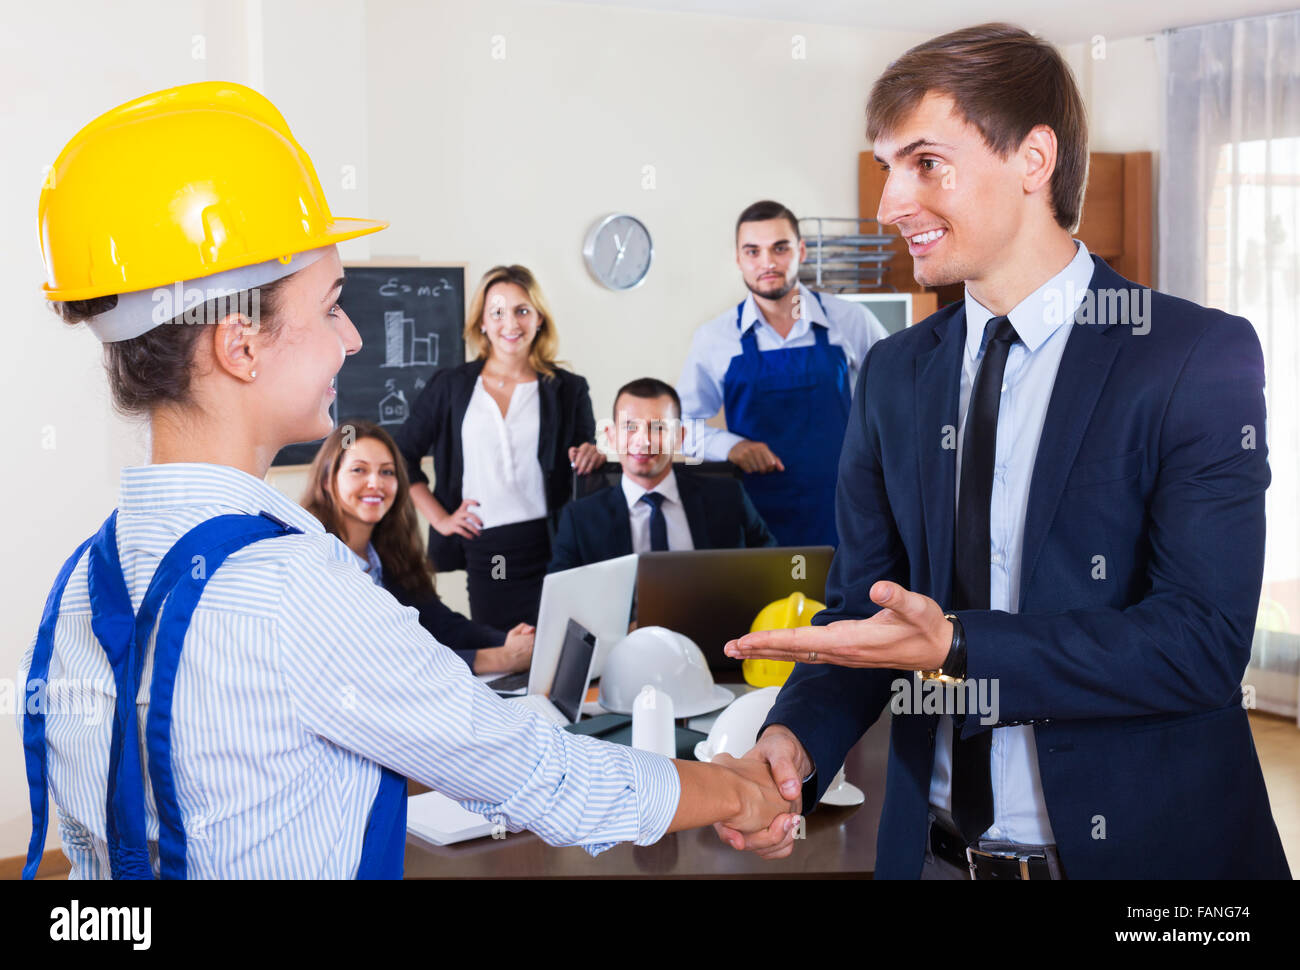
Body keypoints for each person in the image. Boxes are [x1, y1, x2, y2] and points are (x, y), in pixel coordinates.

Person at [16, 81, 793, 880]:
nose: (352, 337)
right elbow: (544, 780)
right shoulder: (297, 590)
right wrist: (733, 792)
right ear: (240, 345)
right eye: (331, 306)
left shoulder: (84, 579)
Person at [718, 24, 1291, 879]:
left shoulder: (1192, 357)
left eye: (926, 163)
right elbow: (867, 616)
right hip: (935, 858)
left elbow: (1200, 646)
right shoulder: (894, 372)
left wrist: (957, 648)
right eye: (887, 169)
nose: (890, 205)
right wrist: (793, 741)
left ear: (1033, 159)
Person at [394, 265, 602, 629]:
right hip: (489, 548)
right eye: (498, 312)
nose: (511, 323)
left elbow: (585, 460)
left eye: (522, 310)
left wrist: (592, 455)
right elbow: (401, 457)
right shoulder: (451, 386)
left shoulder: (569, 388)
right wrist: (441, 520)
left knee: (559, 650)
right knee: (503, 654)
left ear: (539, 319)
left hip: (553, 543)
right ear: (482, 325)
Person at [676, 200, 889, 548]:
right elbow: (681, 426)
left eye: (780, 248)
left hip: (846, 510)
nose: (768, 263)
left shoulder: (851, 320)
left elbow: (898, 398)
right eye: (753, 251)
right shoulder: (714, 338)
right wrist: (732, 446)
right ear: (738, 259)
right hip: (758, 515)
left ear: (801, 250)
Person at [302, 420, 533, 676]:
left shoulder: (389, 555)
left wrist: (513, 642)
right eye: (359, 470)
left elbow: (442, 624)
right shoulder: (315, 561)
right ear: (327, 481)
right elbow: (380, 659)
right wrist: (500, 658)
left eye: (387, 472)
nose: (375, 483)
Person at [549, 378, 775, 572]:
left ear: (679, 437)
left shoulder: (728, 499)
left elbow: (775, 567)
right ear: (611, 436)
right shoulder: (580, 519)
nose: (643, 441)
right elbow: (559, 598)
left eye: (657, 428)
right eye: (630, 427)